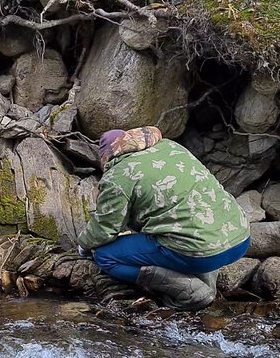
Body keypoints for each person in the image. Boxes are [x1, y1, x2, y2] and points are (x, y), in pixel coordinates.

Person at [76, 126, 250, 310]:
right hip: (240, 239)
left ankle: (194, 293)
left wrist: (84, 244)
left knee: (105, 256)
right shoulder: (171, 147)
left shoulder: (118, 176)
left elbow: (105, 229)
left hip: (200, 253)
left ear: (105, 156)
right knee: (192, 229)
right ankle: (205, 281)